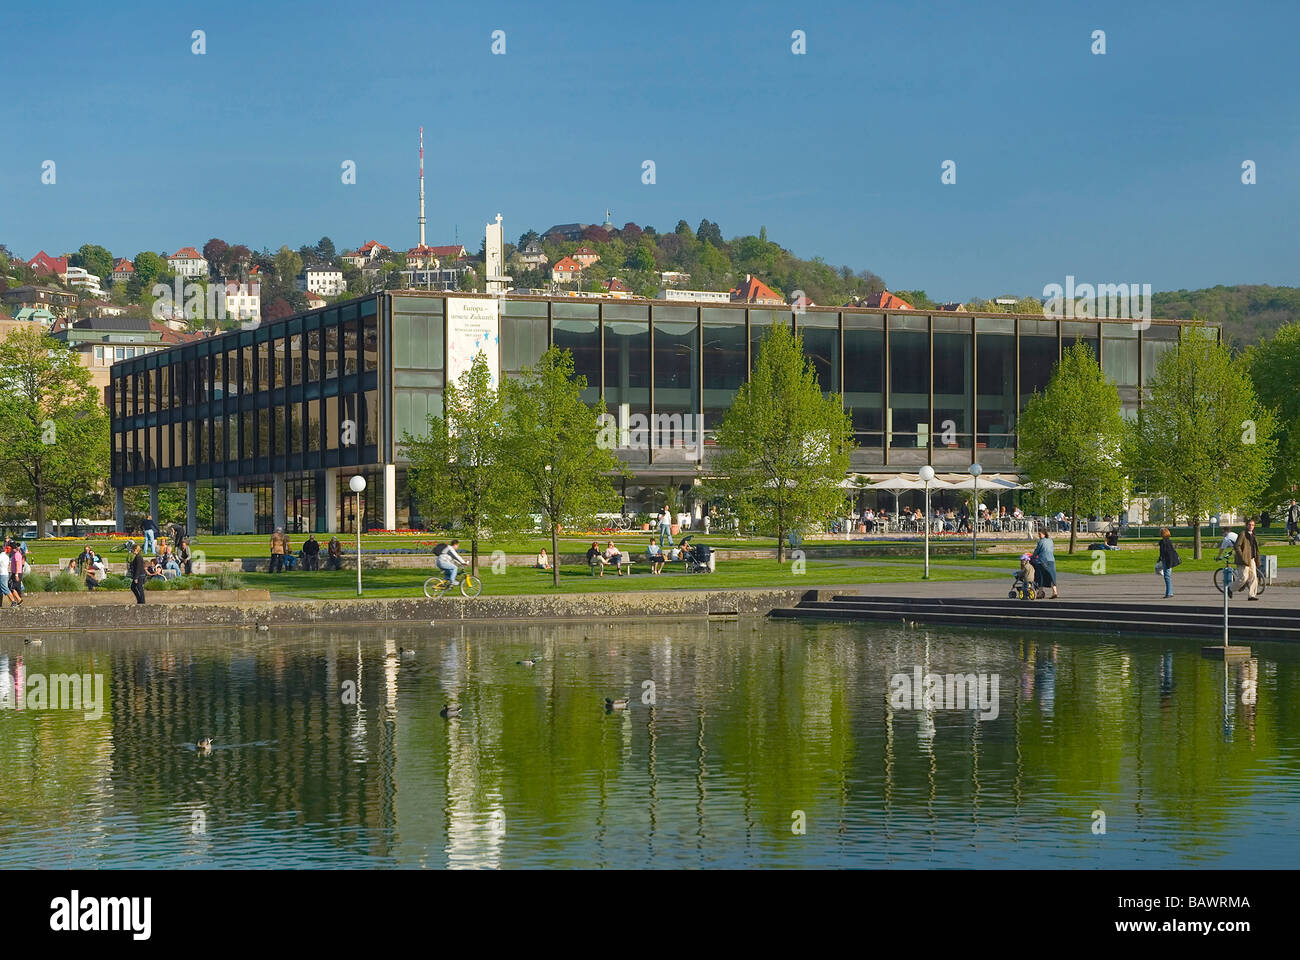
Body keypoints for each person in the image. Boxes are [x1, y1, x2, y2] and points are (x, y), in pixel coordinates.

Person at [1231, 518, 1261, 601]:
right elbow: (1237, 546)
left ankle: (1251, 595)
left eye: (1252, 525)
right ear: (1246, 525)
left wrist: (1257, 559)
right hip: (1243, 560)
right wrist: (1242, 556)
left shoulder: (1253, 535)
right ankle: (1230, 589)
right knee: (1243, 578)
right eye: (1249, 525)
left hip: (1252, 559)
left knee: (1254, 577)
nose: (1251, 526)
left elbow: (1255, 548)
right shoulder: (1243, 534)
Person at [1032, 528, 1059, 598]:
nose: (1039, 536)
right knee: (1052, 576)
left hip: (1043, 560)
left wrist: (1032, 557)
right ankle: (1055, 591)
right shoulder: (1050, 541)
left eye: (1040, 534)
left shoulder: (1041, 542)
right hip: (1051, 559)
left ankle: (1040, 592)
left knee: (1041, 576)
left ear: (1043, 534)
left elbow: (1037, 551)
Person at [1157, 527, 1180, 598]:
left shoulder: (1164, 542)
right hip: (1167, 560)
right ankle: (1169, 592)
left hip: (1167, 561)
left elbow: (1167, 553)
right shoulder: (1167, 541)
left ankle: (1169, 593)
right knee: (1167, 577)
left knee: (1167, 577)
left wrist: (1166, 562)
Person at [0, 544, 12, 609]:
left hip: (2, 574)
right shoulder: (6, 556)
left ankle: (13, 601)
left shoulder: (1, 556)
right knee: (1, 590)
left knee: (4, 588)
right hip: (5, 573)